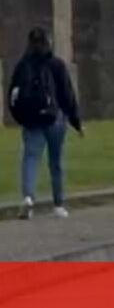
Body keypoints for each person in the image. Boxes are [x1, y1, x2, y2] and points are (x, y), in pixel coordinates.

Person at [7, 28, 83, 219]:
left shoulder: (22, 66)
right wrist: (76, 121)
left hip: (31, 121)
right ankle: (58, 205)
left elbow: (12, 95)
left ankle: (28, 197)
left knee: (30, 159)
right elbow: (67, 95)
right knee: (56, 162)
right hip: (54, 119)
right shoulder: (56, 64)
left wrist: (20, 118)